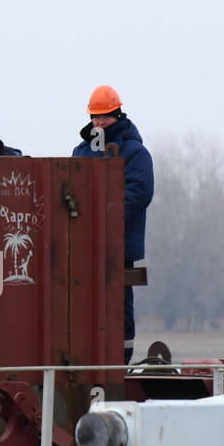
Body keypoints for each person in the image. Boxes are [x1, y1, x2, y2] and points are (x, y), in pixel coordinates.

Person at [72, 85, 154, 363]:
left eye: (105, 116)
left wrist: (104, 222)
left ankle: (121, 359)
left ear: (118, 115)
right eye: (95, 117)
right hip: (84, 248)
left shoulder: (135, 153)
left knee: (117, 305)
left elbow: (138, 194)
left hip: (117, 248)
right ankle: (86, 356)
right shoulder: (81, 151)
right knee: (82, 302)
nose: (99, 122)